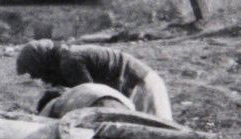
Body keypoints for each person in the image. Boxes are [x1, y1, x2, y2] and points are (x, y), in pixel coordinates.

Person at [15, 39, 173, 121]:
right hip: (133, 84)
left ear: (41, 62)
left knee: (157, 132)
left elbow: (90, 95)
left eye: (34, 71)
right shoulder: (65, 57)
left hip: (142, 85)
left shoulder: (69, 61)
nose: (38, 77)